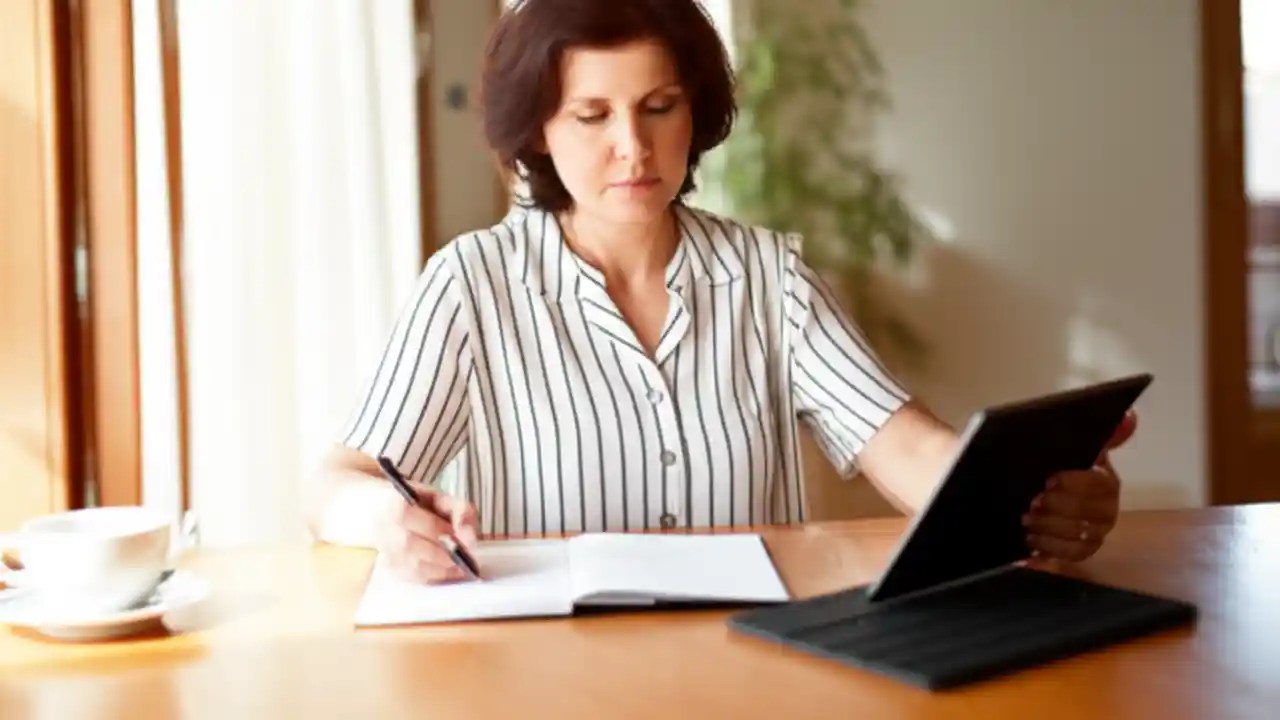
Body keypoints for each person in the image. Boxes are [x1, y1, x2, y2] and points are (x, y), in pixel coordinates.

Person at [305, 0, 1139, 584]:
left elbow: (907, 449)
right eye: (592, 116)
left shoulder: (770, 278)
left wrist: (1030, 501)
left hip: (753, 667)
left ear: (693, 113)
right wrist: (384, 520)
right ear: (539, 133)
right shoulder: (471, 285)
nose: (633, 147)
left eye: (658, 107)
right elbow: (336, 483)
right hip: (550, 677)